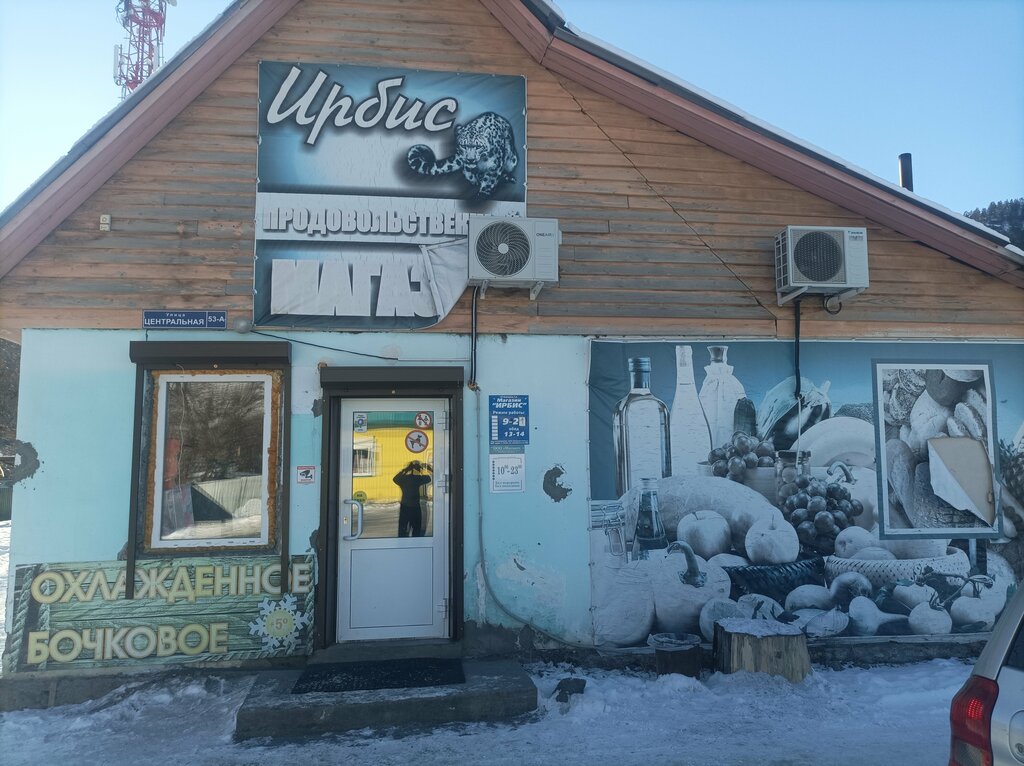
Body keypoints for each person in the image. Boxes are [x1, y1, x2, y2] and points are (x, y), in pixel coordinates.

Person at [393, 461, 431, 537]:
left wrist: (405, 470)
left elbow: (395, 479)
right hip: (415, 507)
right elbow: (428, 478)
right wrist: (423, 470)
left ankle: (402, 545)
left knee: (402, 530)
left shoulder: (404, 479)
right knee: (416, 530)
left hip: (405, 506)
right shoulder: (417, 479)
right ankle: (416, 544)